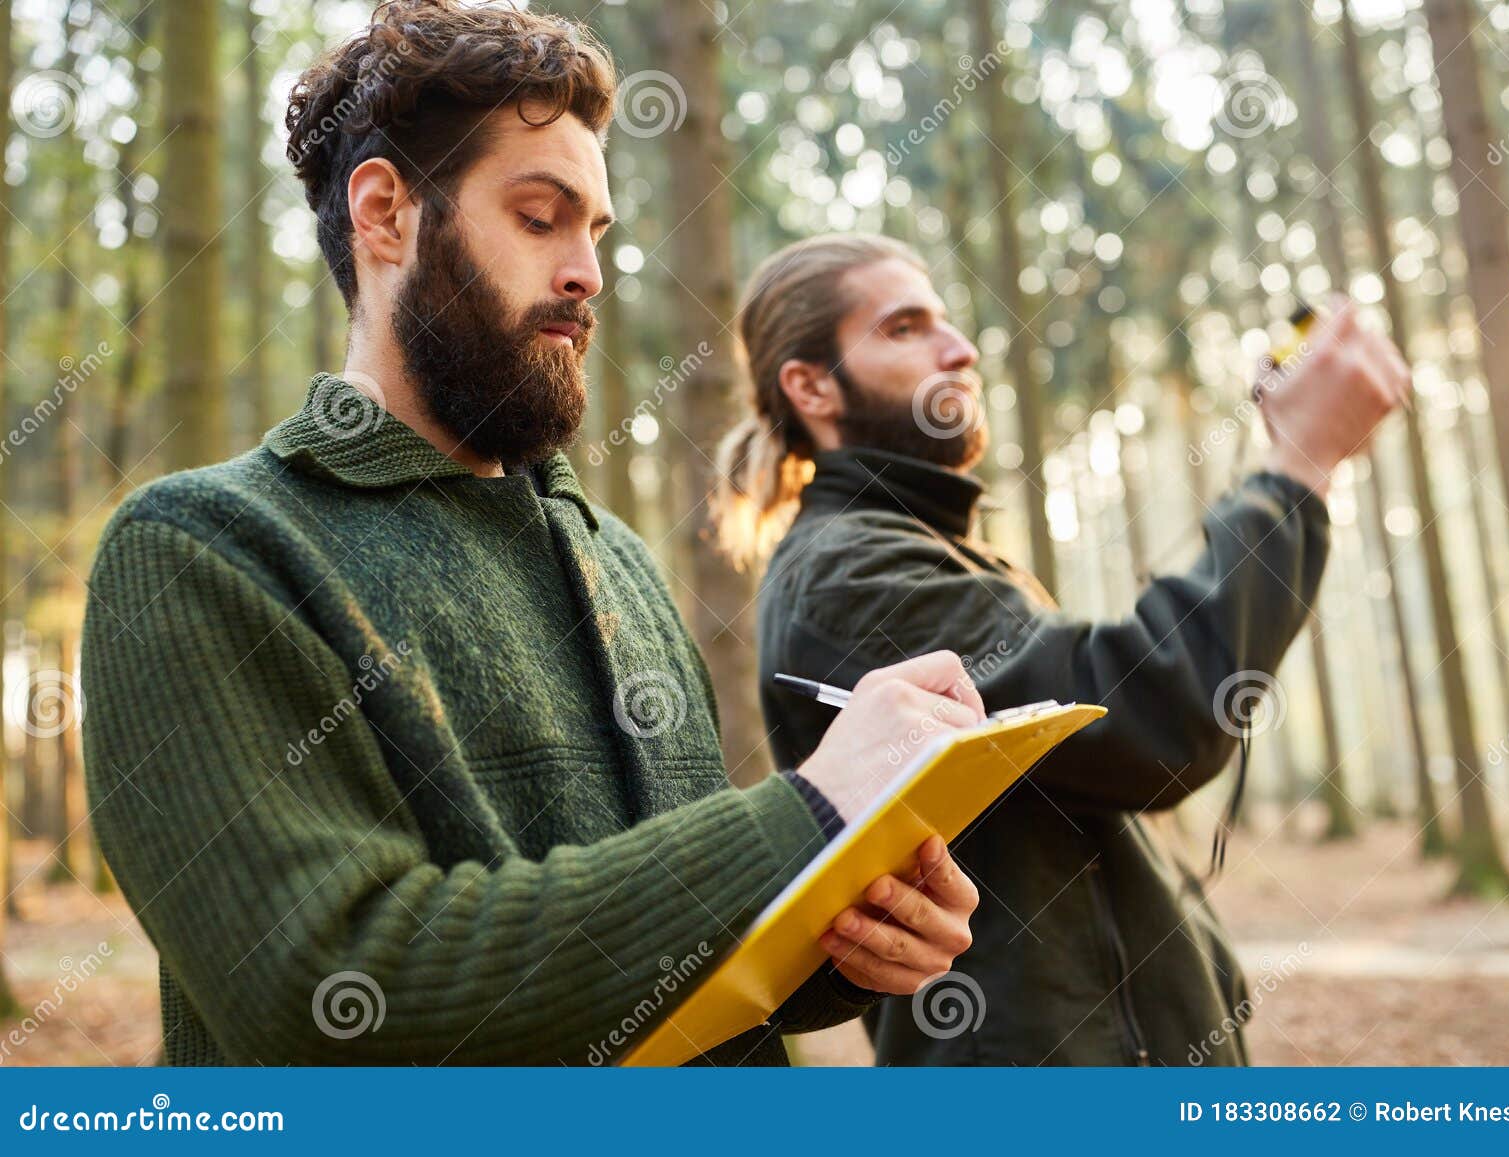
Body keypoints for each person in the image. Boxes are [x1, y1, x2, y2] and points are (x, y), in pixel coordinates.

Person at [79, 4, 984, 1067]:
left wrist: (843, 926)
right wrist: (807, 810)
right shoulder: (203, 549)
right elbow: (334, 988)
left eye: (595, 231)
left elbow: (671, 947)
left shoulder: (620, 560)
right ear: (385, 215)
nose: (588, 273)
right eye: (539, 215)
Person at [713, 233, 1410, 1065]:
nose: (960, 349)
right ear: (812, 385)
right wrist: (1296, 466)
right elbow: (1150, 712)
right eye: (904, 327)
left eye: (946, 321)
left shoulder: (934, 552)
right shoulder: (847, 572)